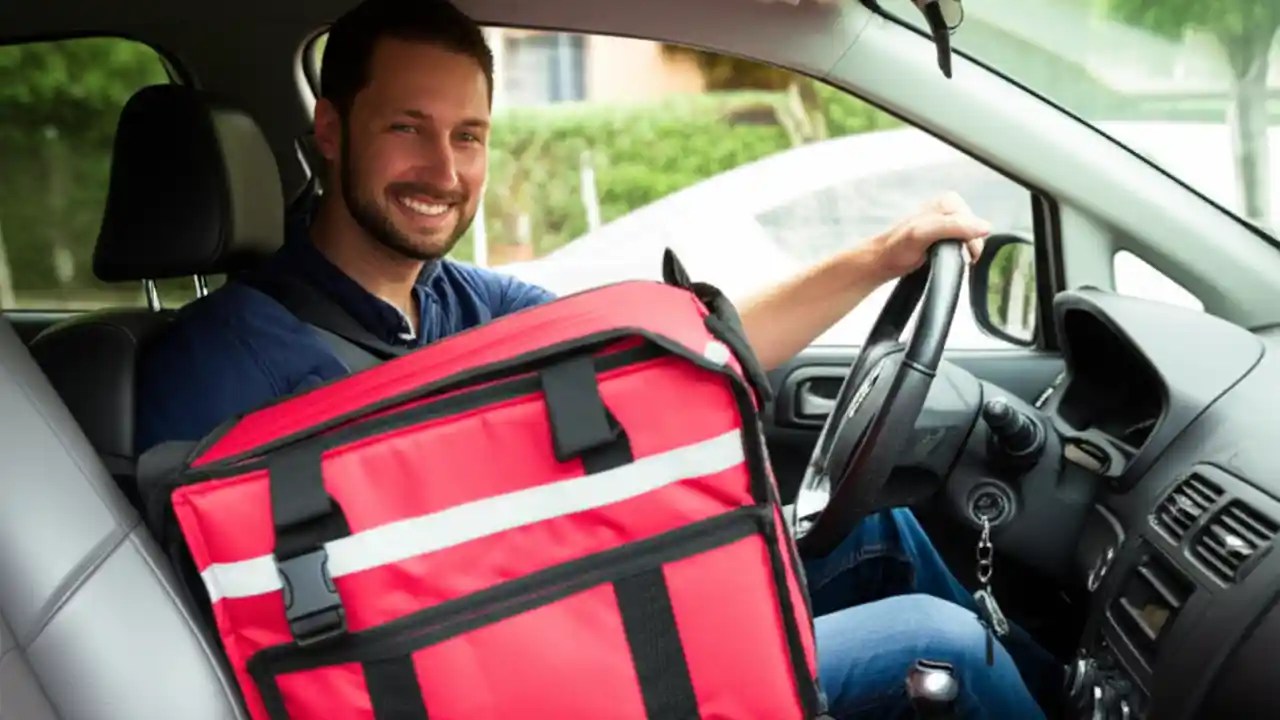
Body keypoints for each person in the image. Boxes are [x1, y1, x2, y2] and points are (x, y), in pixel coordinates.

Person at [135, 0, 1056, 716]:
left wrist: (880, 256)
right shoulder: (220, 366)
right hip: (486, 677)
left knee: (878, 533)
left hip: (557, 601)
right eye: (406, 128)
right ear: (332, 132)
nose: (445, 173)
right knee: (938, 644)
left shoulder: (465, 301)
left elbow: (680, 349)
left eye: (468, 136)